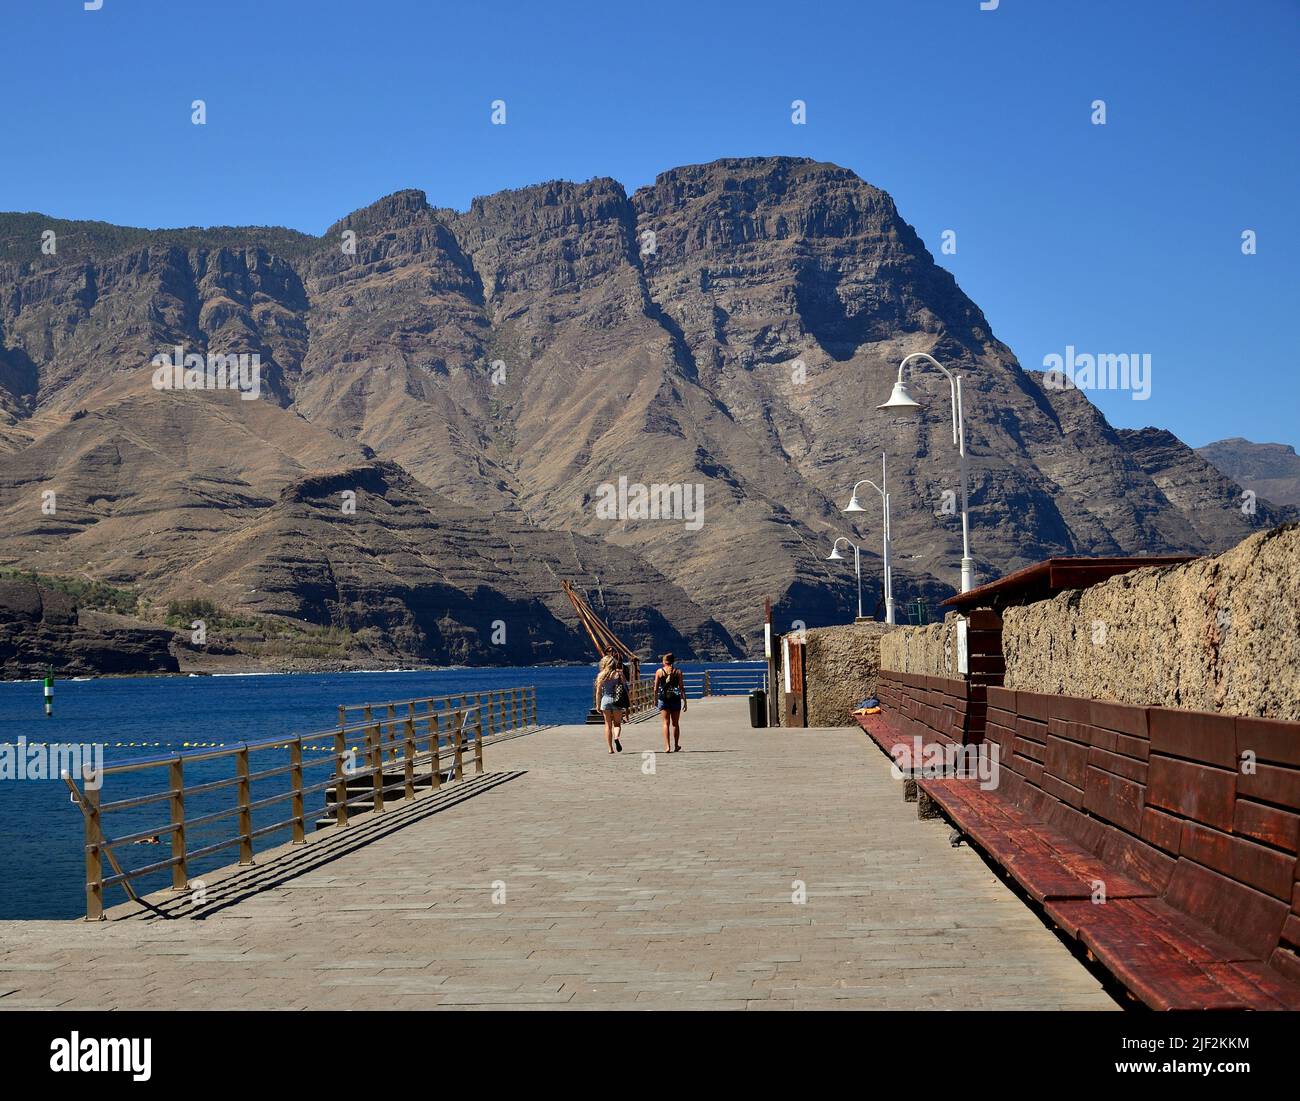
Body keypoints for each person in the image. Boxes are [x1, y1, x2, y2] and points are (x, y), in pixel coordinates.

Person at [595, 653, 627, 753]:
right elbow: (625, 686)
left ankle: (610, 749)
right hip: (617, 700)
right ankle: (616, 737)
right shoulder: (618, 674)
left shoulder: (601, 675)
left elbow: (598, 692)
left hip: (605, 700)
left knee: (607, 725)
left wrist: (597, 705)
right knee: (617, 723)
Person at [654, 652, 686, 752]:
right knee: (675, 724)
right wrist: (685, 700)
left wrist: (655, 700)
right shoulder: (678, 672)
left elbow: (655, 688)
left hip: (663, 699)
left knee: (665, 723)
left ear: (664, 661)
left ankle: (667, 746)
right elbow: (681, 688)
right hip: (675, 698)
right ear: (672, 661)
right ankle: (676, 745)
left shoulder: (659, 671)